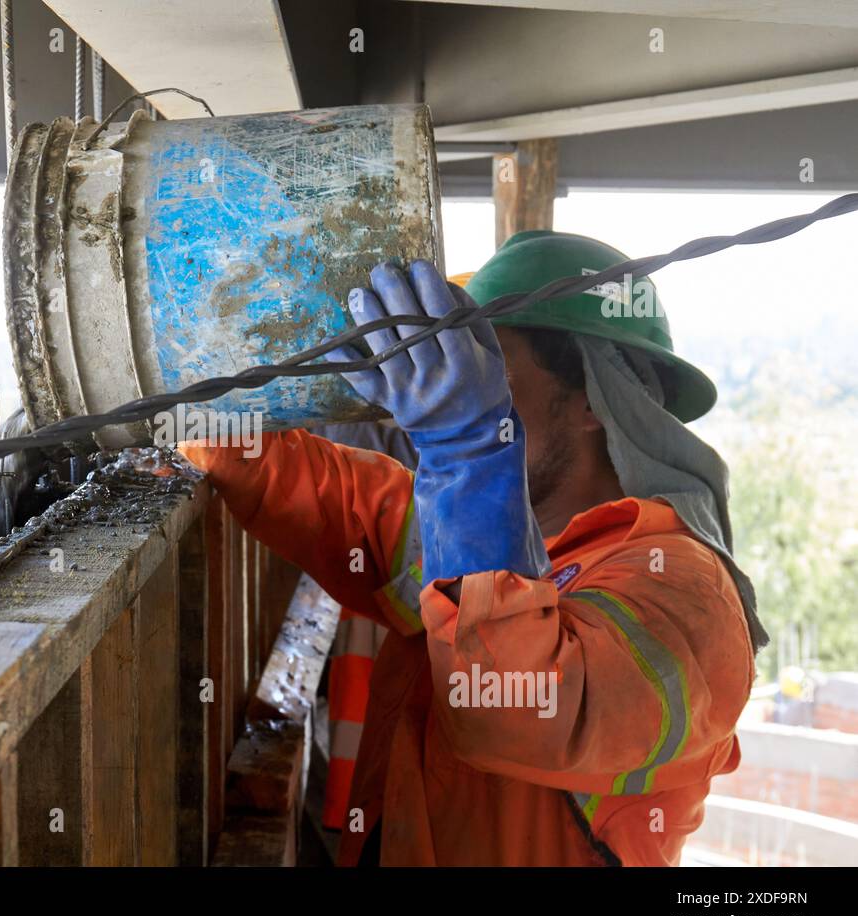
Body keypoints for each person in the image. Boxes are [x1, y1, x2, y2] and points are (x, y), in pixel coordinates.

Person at [181, 231, 765, 865]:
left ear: (596, 396)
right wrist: (187, 393)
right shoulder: (502, 533)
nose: (463, 379)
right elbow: (314, 490)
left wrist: (469, 448)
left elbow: (503, 702)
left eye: (489, 359)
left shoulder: (689, 597)